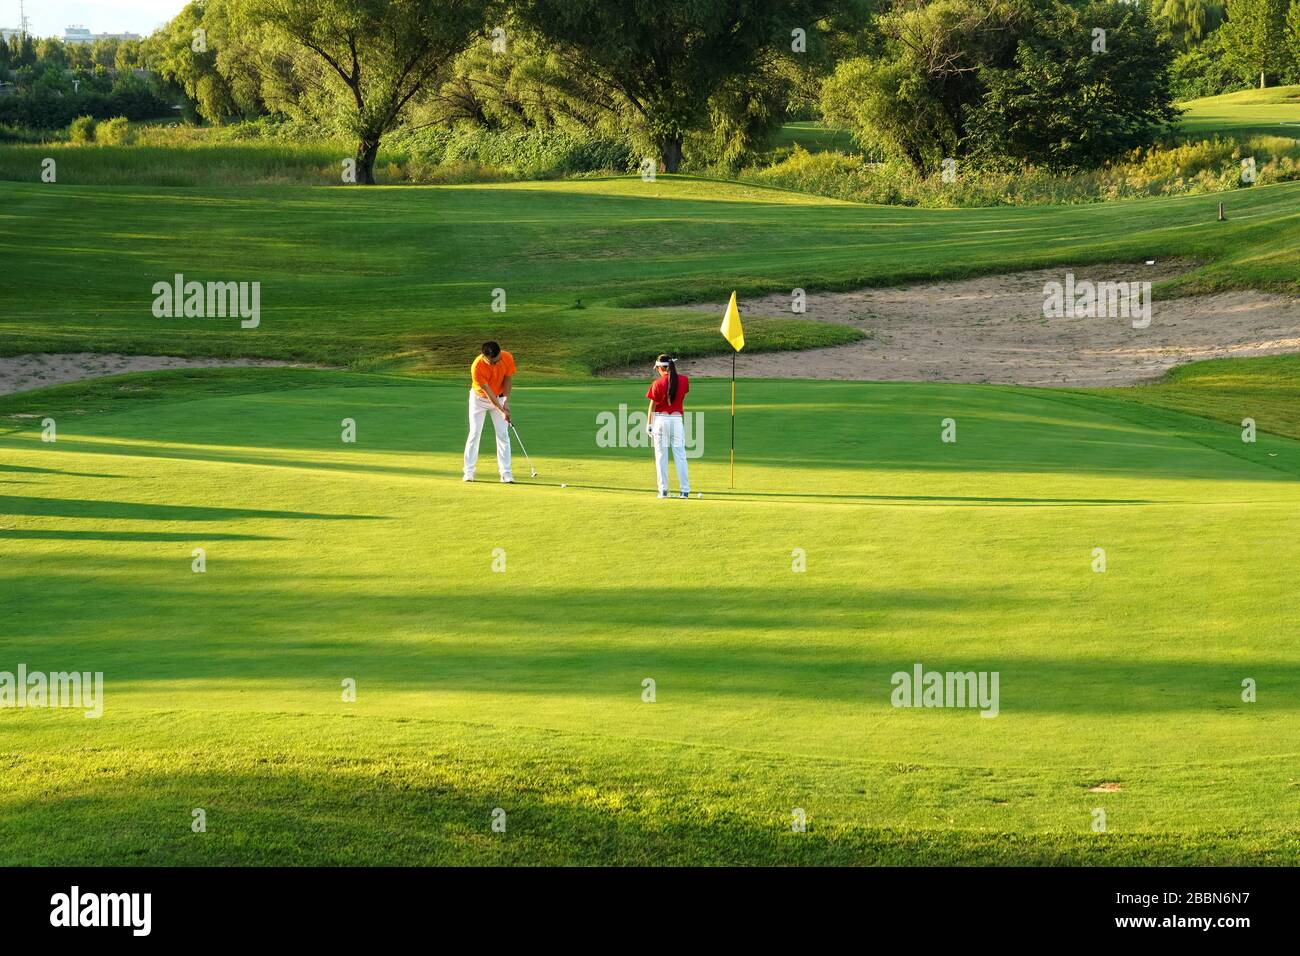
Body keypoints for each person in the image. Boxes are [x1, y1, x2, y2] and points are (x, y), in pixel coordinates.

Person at [464, 341, 515, 483]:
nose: (495, 364)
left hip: (499, 397)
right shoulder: (477, 367)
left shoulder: (507, 357)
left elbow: (508, 380)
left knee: (503, 434)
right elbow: (488, 393)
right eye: (491, 363)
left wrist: (505, 402)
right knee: (475, 433)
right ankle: (469, 472)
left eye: (497, 361)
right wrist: (501, 410)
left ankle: (506, 473)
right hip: (479, 400)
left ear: (500, 353)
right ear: (484, 356)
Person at [646, 353, 691, 498]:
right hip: (677, 421)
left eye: (657, 368)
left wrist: (649, 424)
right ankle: (684, 491)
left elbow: (652, 406)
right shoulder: (684, 380)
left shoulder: (657, 384)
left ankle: (663, 490)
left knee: (661, 457)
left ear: (660, 368)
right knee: (680, 456)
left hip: (660, 421)